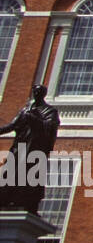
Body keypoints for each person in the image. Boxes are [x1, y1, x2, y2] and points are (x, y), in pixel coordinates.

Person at [0, 84, 61, 213]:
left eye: (39, 92)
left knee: (29, 176)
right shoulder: (26, 110)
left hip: (34, 149)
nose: (36, 94)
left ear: (43, 94)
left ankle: (23, 201)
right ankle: (6, 198)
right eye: (35, 91)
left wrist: (33, 119)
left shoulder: (49, 111)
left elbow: (49, 127)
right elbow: (12, 125)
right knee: (9, 173)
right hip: (20, 147)